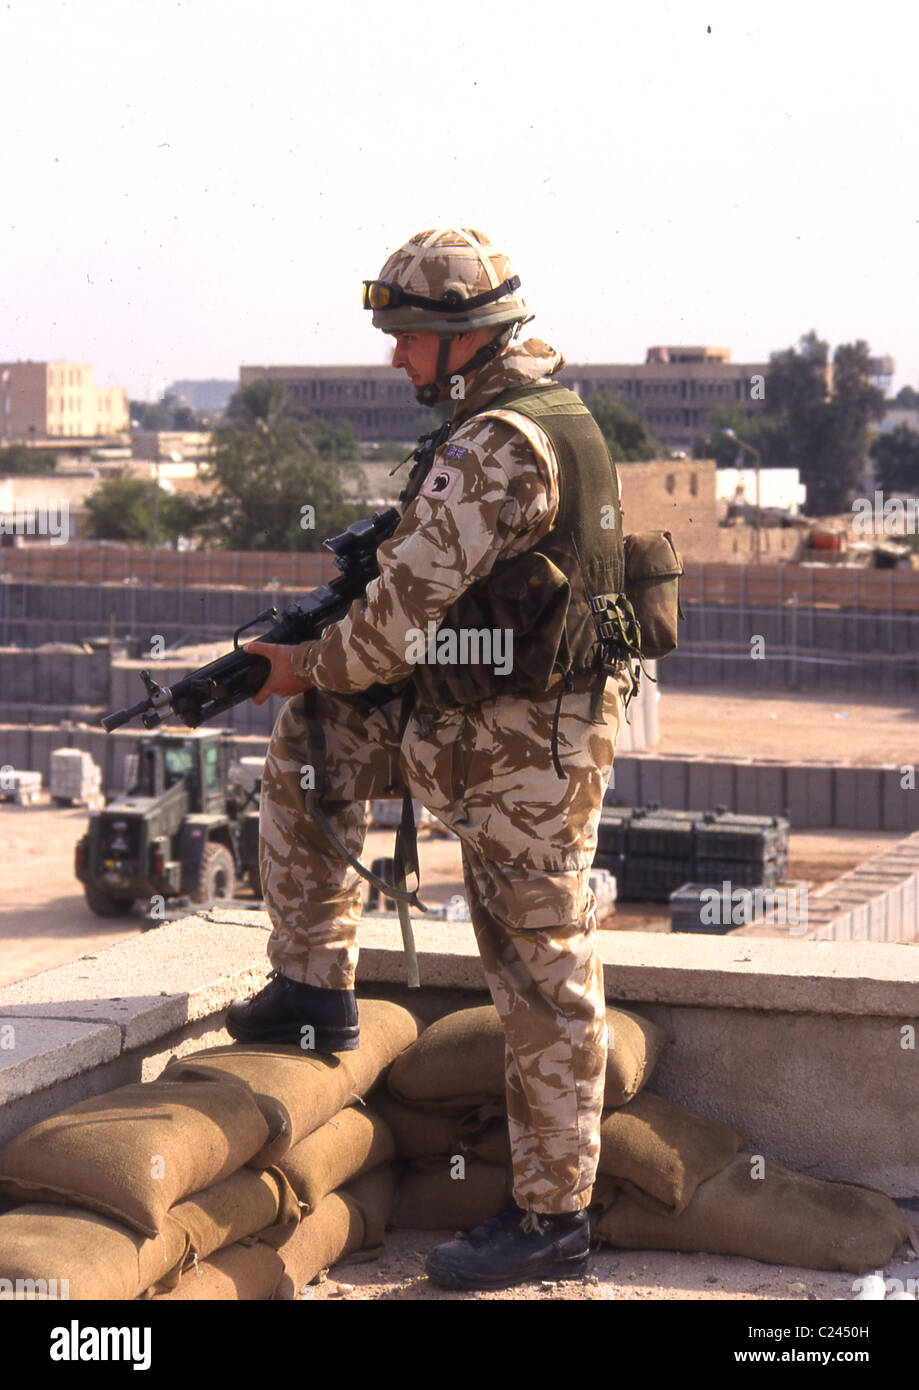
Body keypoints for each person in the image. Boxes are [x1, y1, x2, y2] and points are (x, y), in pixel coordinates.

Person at [226, 227, 632, 1291]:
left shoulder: (495, 445)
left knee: (541, 977)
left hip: (525, 755)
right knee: (314, 741)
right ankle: (314, 986)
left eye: (408, 340)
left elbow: (383, 639)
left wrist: (292, 662)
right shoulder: (519, 419)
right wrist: (309, 684)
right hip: (482, 725)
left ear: (462, 338)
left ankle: (552, 1214)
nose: (398, 361)